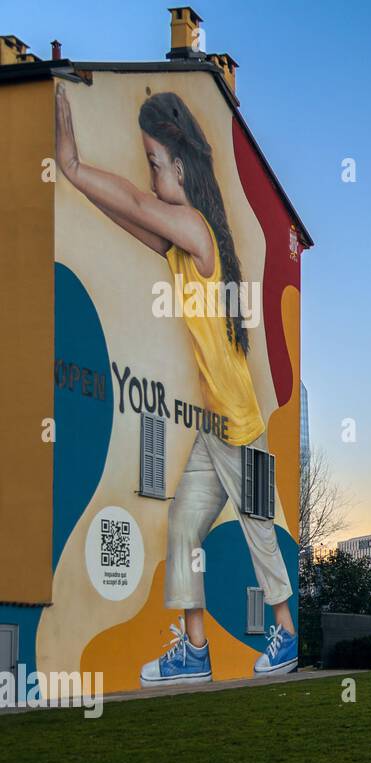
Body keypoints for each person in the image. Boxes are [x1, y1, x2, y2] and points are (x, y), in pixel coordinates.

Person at [55, 86, 296, 686]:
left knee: (260, 533)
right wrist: (78, 179)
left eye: (155, 162)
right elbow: (131, 211)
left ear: (180, 166)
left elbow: (140, 202)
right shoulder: (180, 245)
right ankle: (194, 649)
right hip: (216, 430)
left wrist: (75, 164)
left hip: (242, 426)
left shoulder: (196, 230)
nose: (149, 174)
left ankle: (287, 636)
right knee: (185, 526)